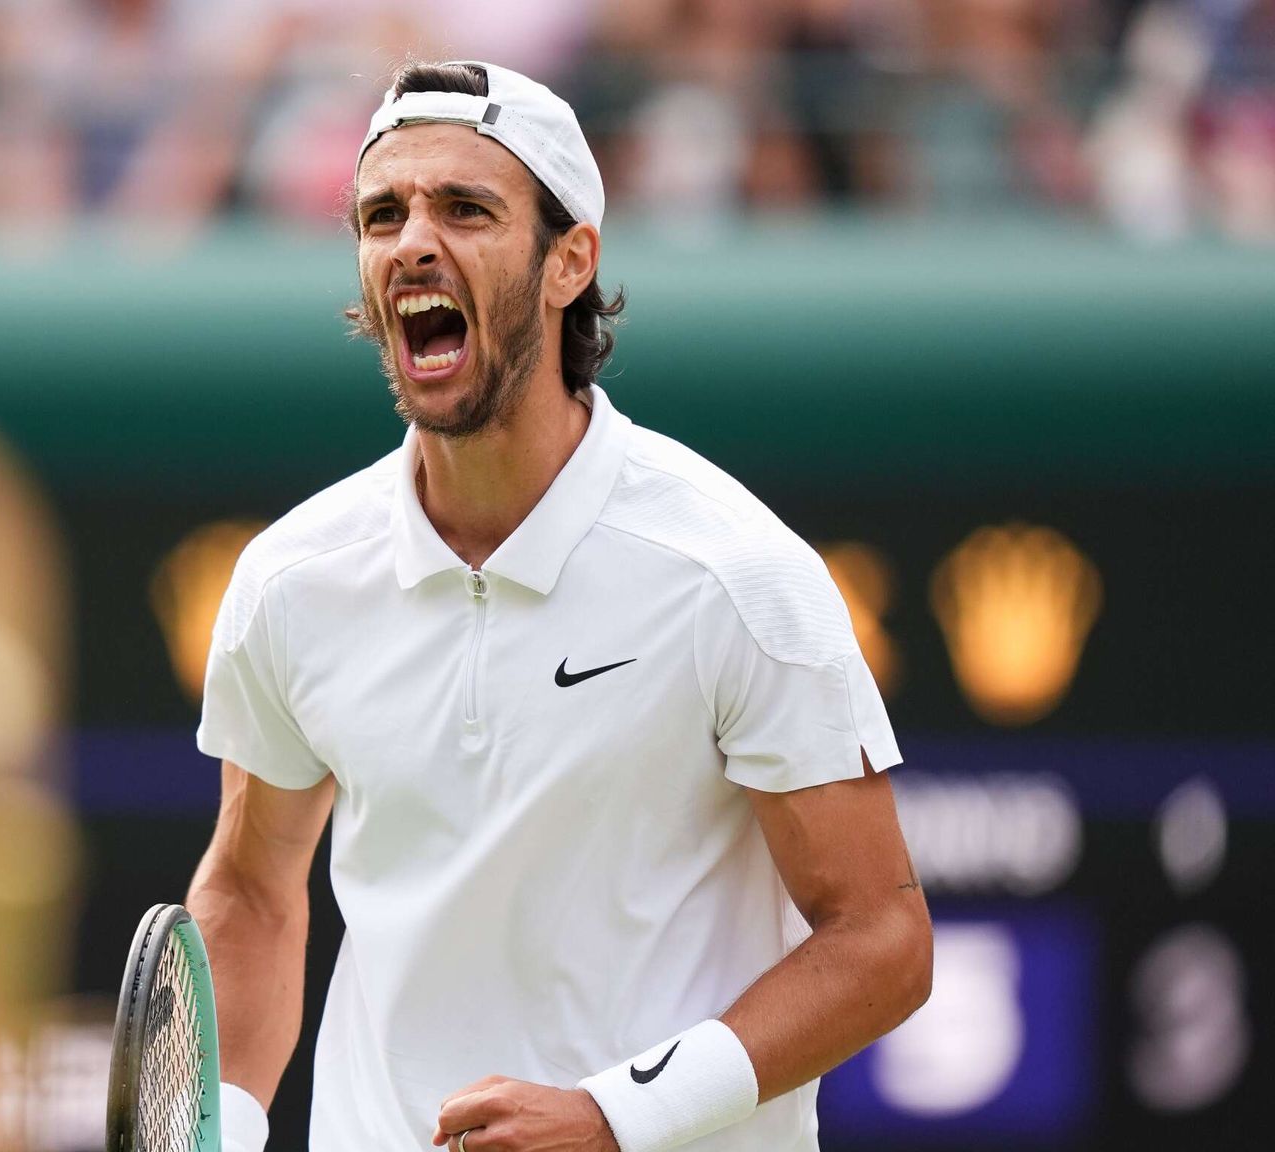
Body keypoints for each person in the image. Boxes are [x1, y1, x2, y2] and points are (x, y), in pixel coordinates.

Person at [187, 60, 933, 1152]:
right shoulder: (290, 582)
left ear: (569, 261)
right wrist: (224, 1127)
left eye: (465, 209)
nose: (412, 243)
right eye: (383, 215)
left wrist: (614, 1117)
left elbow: (880, 940)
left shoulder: (734, 573)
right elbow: (251, 895)